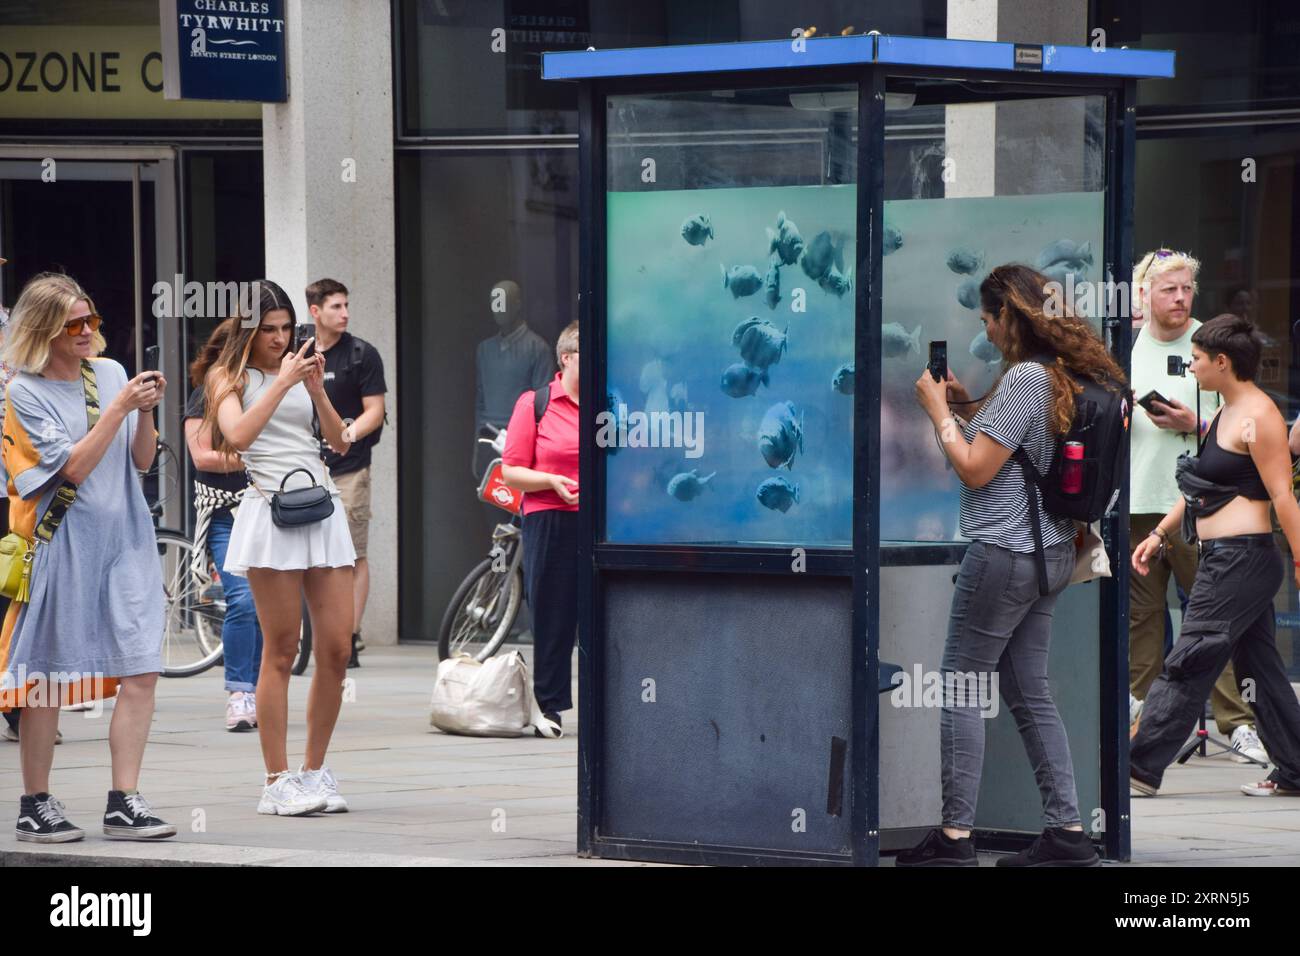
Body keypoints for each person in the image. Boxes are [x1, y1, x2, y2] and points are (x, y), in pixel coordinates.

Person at [898, 264, 1127, 867]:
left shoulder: (1027, 378)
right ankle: (1068, 836)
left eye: (989, 319)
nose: (987, 331)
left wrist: (934, 409)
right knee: (1032, 693)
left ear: (1011, 317)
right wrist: (961, 406)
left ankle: (953, 840)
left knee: (961, 686)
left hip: (1004, 554)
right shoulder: (1064, 376)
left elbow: (975, 467)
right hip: (1050, 552)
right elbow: (1009, 454)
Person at [1, 272, 174, 842]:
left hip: (126, 541)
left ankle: (124, 799)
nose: (86, 332)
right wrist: (118, 408)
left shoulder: (111, 373)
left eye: (91, 320)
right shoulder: (24, 391)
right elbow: (70, 468)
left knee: (141, 668)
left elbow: (142, 462)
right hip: (64, 544)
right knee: (48, 678)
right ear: (43, 330)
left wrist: (143, 410)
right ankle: (35, 803)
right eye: (72, 323)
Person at [1131, 314, 1300, 797]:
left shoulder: (1259, 415)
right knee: (1261, 671)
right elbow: (1202, 487)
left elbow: (1283, 497)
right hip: (1225, 558)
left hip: (1241, 562)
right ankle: (1295, 767)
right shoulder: (1225, 411)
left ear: (1222, 362)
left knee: (1189, 658)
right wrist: (1161, 533)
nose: (1192, 367)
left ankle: (1140, 767)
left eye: (1198, 359)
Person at [204, 280, 356, 816]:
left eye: (287, 329)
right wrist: (282, 380)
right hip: (269, 512)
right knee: (283, 649)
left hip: (321, 507)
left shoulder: (302, 373)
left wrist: (314, 390)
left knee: (337, 648)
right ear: (248, 331)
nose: (279, 338)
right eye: (268, 330)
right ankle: (276, 779)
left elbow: (340, 443)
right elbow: (238, 436)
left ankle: (315, 771)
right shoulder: (229, 377)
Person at [1127, 250, 1263, 762]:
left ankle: (1236, 722)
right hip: (1140, 499)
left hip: (1199, 503)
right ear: (1145, 294)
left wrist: (1195, 426)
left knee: (1209, 618)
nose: (1181, 298)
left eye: (1187, 288)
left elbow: (1249, 426)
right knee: (1141, 618)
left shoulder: (1213, 344)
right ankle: (1137, 720)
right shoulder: (1124, 344)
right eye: (1169, 290)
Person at [184, 318, 263, 731]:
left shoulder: (264, 391)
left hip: (266, 509)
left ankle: (263, 688)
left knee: (269, 606)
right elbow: (202, 457)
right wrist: (255, 460)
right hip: (224, 512)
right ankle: (240, 692)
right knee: (245, 599)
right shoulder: (204, 396)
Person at [501, 320, 579, 737]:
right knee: (552, 612)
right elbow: (511, 470)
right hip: (548, 517)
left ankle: (607, 705)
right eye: (589, 354)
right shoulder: (537, 403)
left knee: (601, 613)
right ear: (566, 359)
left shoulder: (609, 405)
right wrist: (549, 481)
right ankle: (549, 707)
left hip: (598, 524)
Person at [306, 278, 386, 669]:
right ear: (315, 311)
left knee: (353, 554)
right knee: (310, 555)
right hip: (307, 470)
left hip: (350, 469)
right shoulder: (300, 352)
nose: (345, 313)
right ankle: (316, 633)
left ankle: (349, 637)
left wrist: (352, 432)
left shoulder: (360, 354)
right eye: (336, 306)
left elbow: (376, 409)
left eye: (346, 306)